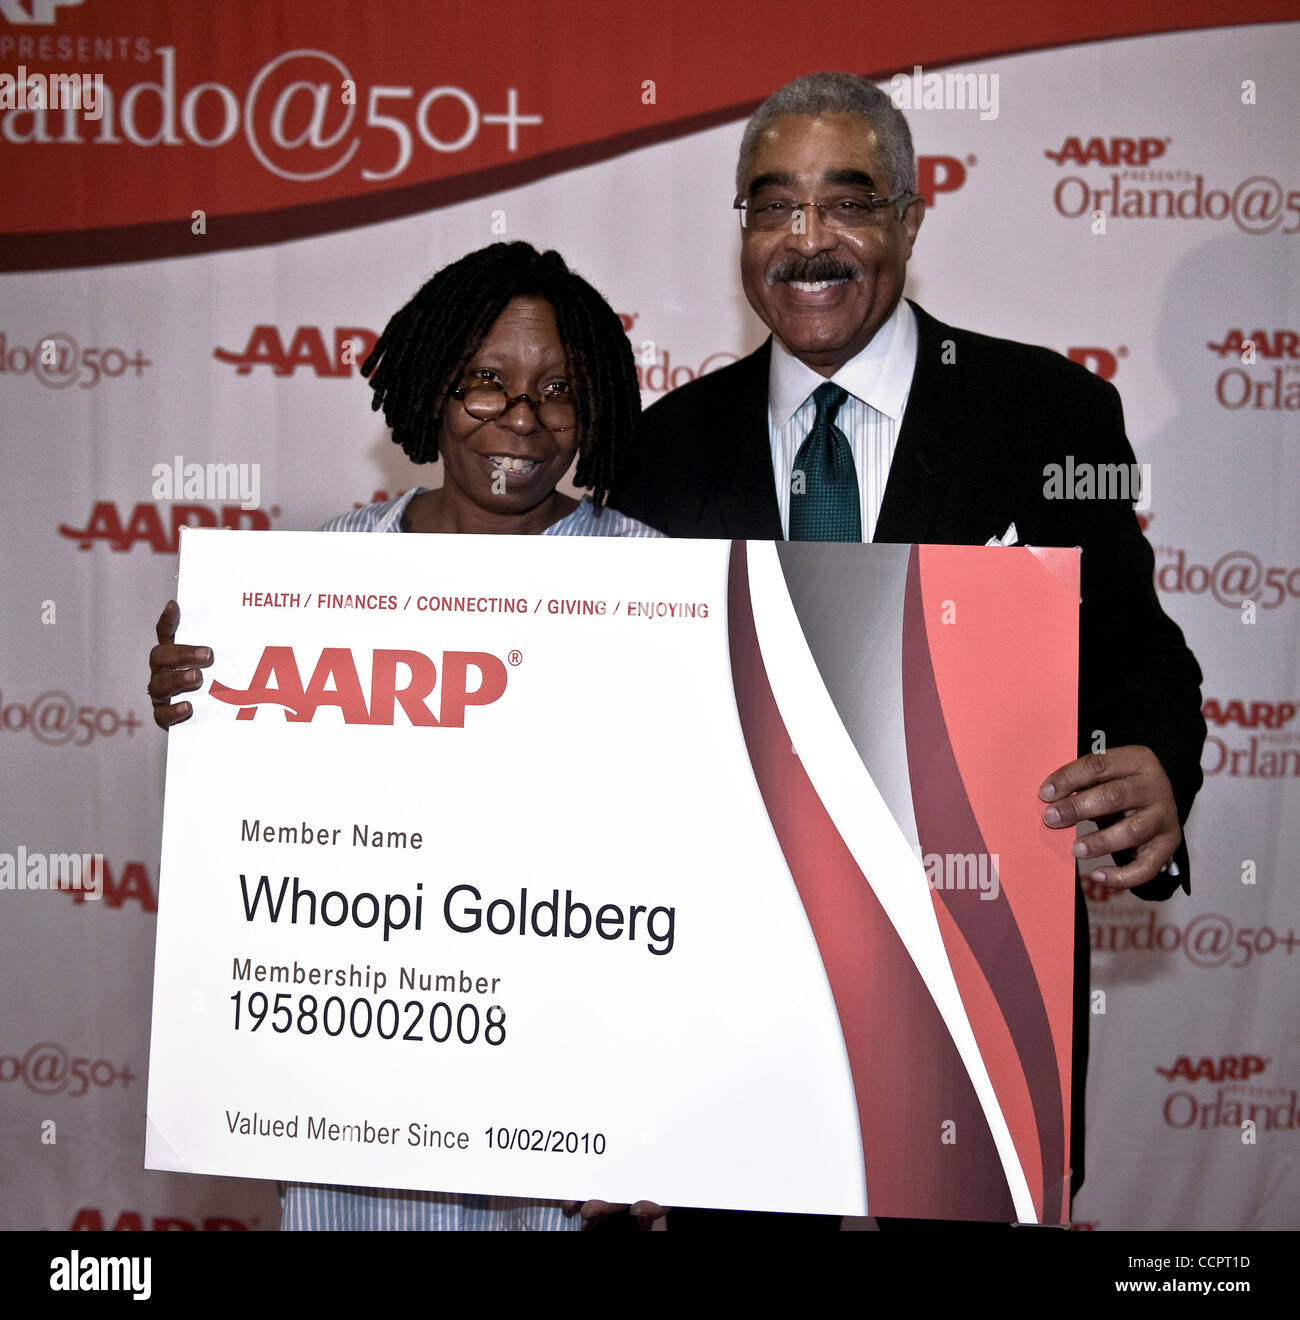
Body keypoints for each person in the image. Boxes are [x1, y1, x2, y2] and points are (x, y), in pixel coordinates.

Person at [610, 72, 1207, 1225]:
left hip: (977, 1031)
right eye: (773, 206)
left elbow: (1141, 660)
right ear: (741, 229)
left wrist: (1154, 765)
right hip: (728, 1044)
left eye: (849, 201)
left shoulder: (1050, 416)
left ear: (911, 219)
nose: (808, 239)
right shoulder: (657, 454)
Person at [148, 241, 665, 1230]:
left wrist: (662, 1119)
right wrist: (198, 699)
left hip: (567, 1119)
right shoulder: (319, 579)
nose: (521, 417)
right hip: (355, 1123)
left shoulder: (656, 584)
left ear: (591, 409)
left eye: (557, 390)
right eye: (485, 381)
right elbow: (255, 843)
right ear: (431, 390)